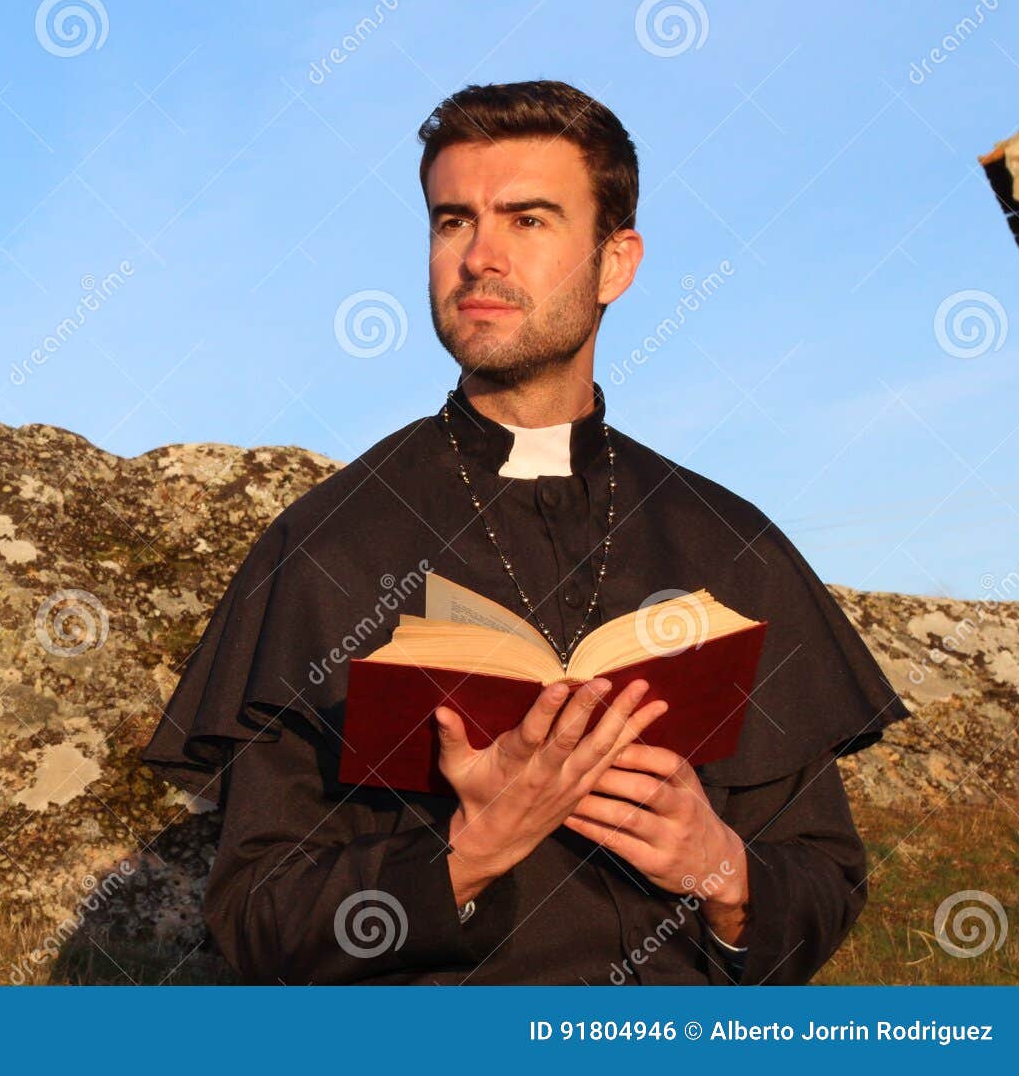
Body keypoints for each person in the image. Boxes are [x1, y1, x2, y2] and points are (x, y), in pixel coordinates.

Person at [140, 79, 910, 984]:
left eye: (529, 220)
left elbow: (825, 879)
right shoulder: (327, 548)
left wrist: (725, 869)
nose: (478, 257)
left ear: (616, 263)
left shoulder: (729, 542)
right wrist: (467, 855)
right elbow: (256, 919)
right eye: (453, 221)